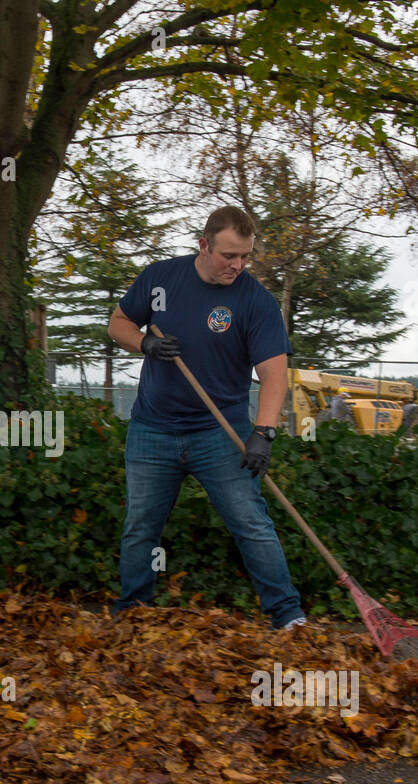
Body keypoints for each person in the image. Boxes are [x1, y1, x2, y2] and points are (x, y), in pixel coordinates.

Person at [107, 205, 305, 631]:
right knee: (141, 526)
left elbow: (273, 372)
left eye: (245, 256)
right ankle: (132, 613)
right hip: (152, 429)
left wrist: (264, 432)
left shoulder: (256, 300)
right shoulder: (160, 279)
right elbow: (118, 322)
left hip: (219, 432)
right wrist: (144, 344)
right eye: (228, 255)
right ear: (203, 245)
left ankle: (287, 615)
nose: (238, 265)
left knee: (251, 522)